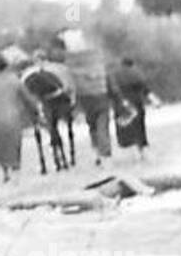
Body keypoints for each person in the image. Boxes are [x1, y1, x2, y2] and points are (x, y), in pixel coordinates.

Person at [0, 52, 42, 182]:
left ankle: (5, 169)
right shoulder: (14, 79)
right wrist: (35, 112)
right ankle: (15, 171)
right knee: (14, 145)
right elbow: (27, 99)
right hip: (13, 117)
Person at [57, 33, 115, 164]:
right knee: (102, 126)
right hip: (100, 97)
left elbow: (71, 86)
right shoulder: (99, 68)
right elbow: (110, 84)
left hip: (86, 99)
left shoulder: (76, 71)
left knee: (92, 126)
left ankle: (97, 154)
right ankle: (105, 155)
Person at [112, 57, 155, 155]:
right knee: (139, 127)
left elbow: (111, 90)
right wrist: (154, 101)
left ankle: (130, 151)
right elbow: (145, 88)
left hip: (121, 105)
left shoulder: (115, 74)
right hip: (136, 104)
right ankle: (140, 150)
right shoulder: (136, 73)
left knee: (124, 130)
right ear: (132, 64)